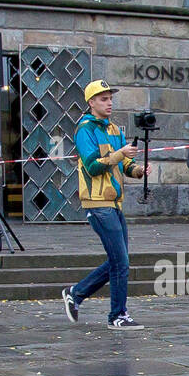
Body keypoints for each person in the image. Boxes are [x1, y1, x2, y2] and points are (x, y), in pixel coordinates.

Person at [62, 80, 147, 330]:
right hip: (97, 202)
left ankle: (76, 294)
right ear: (91, 103)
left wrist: (138, 170)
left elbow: (124, 165)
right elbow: (93, 166)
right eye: (103, 99)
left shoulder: (113, 129)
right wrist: (121, 154)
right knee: (120, 261)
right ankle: (117, 315)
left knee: (119, 259)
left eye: (110, 98)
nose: (109, 102)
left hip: (114, 202)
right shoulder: (84, 130)